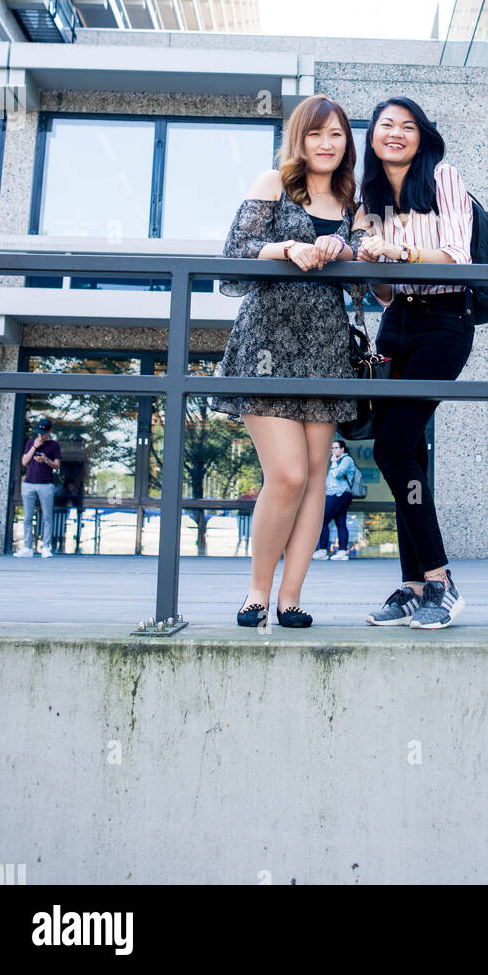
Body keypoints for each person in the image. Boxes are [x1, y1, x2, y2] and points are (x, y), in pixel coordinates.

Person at [212, 94, 366, 628]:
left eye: (337, 135)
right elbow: (233, 255)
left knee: (317, 476)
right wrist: (286, 248)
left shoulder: (353, 203)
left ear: (347, 143)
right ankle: (257, 590)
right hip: (268, 345)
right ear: (299, 139)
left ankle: (291, 596)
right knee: (287, 474)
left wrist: (345, 249)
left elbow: (371, 263)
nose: (326, 144)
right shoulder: (272, 184)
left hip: (325, 348)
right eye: (316, 134)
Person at [353, 97, 475, 629]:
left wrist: (397, 251)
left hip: (445, 320)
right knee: (407, 454)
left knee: (392, 444)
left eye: (407, 126)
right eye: (386, 125)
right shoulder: (372, 199)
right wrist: (371, 260)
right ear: (373, 137)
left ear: (422, 136)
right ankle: (412, 585)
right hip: (396, 322)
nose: (396, 133)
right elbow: (382, 290)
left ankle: (441, 581)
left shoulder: (443, 178)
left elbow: (458, 256)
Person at [15, 417, 61, 558]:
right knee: (28, 517)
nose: (40, 434)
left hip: (46, 484)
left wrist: (46, 460)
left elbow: (57, 465)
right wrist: (34, 447)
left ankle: (46, 547)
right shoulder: (30, 443)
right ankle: (27, 547)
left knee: (47, 517)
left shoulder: (54, 445)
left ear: (49, 431)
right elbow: (24, 462)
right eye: (39, 432)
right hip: (29, 483)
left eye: (43, 432)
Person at [313, 439, 357, 560]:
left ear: (343, 449)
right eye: (332, 448)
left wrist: (333, 463)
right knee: (340, 523)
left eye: (336, 448)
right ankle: (342, 552)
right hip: (337, 494)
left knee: (322, 520)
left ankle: (322, 551)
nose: (333, 450)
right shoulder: (339, 460)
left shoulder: (346, 460)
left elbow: (337, 474)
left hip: (339, 494)